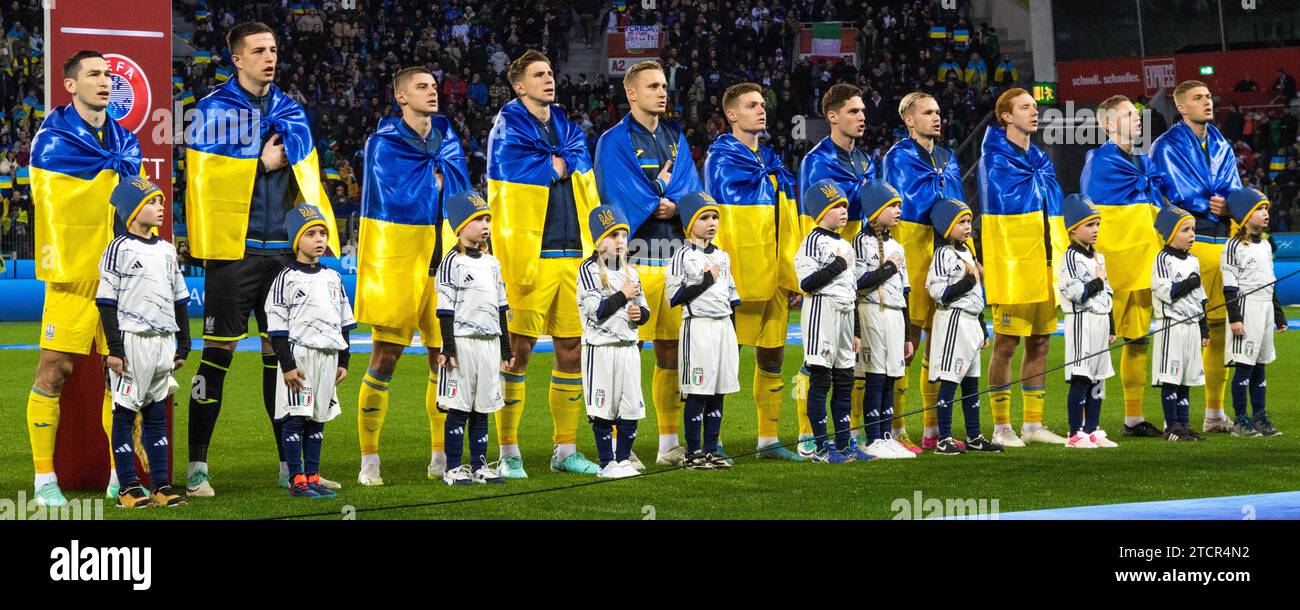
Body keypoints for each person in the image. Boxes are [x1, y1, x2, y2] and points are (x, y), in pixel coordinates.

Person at [185, 22, 342, 495]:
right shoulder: (211, 110)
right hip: (236, 252)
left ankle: (289, 466)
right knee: (219, 353)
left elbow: (309, 179)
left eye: (273, 49)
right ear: (237, 58)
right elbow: (204, 182)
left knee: (283, 356)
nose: (268, 57)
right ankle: (196, 467)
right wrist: (259, 164)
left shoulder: (291, 110)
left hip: (285, 258)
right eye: (258, 50)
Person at [27, 50, 142, 506]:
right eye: (94, 74)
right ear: (70, 85)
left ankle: (120, 474)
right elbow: (51, 204)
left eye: (108, 74)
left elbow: (137, 205)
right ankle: (43, 480)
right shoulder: (52, 139)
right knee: (54, 371)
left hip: (120, 276)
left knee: (122, 378)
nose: (105, 81)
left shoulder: (127, 141)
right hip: (73, 276)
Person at [488, 50, 602, 477]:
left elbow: (575, 166)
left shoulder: (569, 130)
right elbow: (514, 171)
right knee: (516, 354)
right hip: (529, 255)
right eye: (539, 75)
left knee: (571, 350)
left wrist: (559, 165)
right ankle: (508, 451)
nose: (549, 79)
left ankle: (564, 450)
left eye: (551, 73)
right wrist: (553, 166)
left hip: (572, 253)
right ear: (519, 86)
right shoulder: (507, 128)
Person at [355, 66, 471, 486]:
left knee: (444, 362)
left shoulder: (449, 138)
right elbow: (392, 194)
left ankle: (441, 456)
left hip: (444, 265)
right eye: (422, 87)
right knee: (384, 358)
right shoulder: (382, 143)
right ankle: (370, 459)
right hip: (401, 263)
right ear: (401, 97)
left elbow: (459, 193)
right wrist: (432, 181)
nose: (432, 92)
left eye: (435, 86)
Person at [592, 60, 702, 467]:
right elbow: (616, 194)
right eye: (652, 86)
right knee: (625, 351)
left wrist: (678, 205)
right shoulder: (613, 140)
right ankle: (624, 445)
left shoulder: (676, 139)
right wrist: (657, 194)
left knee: (671, 354)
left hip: (673, 259)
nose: (662, 92)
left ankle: (668, 444)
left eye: (663, 86)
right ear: (631, 93)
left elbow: (691, 189)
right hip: (633, 258)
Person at [703, 82, 802, 460]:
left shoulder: (772, 162)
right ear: (731, 114)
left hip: (774, 275)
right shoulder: (721, 160)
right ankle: (713, 440)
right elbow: (718, 223)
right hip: (739, 279)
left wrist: (791, 274)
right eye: (751, 105)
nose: (761, 110)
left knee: (773, 356)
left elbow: (786, 222)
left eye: (762, 104)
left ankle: (768, 440)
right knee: (724, 359)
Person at [1149, 80, 1242, 435]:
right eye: (1198, 98)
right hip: (1191, 243)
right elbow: (1168, 192)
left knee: (1218, 333)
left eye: (1208, 97)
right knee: (1185, 333)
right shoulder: (1166, 145)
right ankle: (1174, 417)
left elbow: (1233, 185)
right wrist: (1209, 204)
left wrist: (1230, 204)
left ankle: (1214, 414)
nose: (1208, 102)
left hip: (1222, 240)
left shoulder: (1221, 142)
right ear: (1181, 108)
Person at [979, 87, 1069, 448]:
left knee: (1042, 342)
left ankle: (1033, 424)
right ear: (1005, 115)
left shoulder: (1040, 159)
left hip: (1045, 260)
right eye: (1025, 107)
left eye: (1035, 106)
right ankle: (1002, 426)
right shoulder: (995, 156)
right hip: (1015, 262)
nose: (1034, 112)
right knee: (1005, 344)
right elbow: (1003, 200)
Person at [97, 178, 190, 508]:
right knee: (124, 415)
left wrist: (184, 342)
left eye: (162, 202)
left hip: (162, 343)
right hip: (131, 342)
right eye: (153, 202)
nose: (161, 207)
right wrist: (114, 349)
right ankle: (128, 487)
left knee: (156, 415)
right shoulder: (118, 249)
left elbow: (180, 298)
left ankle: (161, 485)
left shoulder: (166, 250)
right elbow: (106, 302)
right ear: (133, 211)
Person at [882, 92, 966, 453]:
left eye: (938, 111)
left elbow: (957, 202)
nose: (936, 117)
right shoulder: (897, 156)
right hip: (914, 252)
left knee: (939, 345)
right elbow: (904, 203)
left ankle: (933, 429)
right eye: (927, 112)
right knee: (907, 346)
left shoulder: (948, 158)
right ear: (909, 120)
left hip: (945, 254)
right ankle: (896, 428)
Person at [795, 83, 874, 457]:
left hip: (854, 263)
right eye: (854, 112)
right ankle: (807, 434)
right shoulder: (817, 160)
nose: (861, 117)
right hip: (827, 265)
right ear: (832, 116)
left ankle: (846, 437)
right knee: (815, 363)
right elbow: (810, 216)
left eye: (862, 111)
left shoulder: (864, 161)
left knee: (847, 362)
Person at [1080, 95, 1165, 438]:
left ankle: (1133, 417)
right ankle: (1086, 422)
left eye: (1138, 113)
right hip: (1111, 270)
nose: (1138, 119)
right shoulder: (1099, 163)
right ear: (1108, 124)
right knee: (1095, 346)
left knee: (1138, 341)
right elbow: (1092, 222)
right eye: (1129, 114)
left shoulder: (1145, 162)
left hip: (1142, 263)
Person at [267, 204, 354, 498]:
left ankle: (313, 476)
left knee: (318, 418)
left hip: (328, 359)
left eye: (323, 233)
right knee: (296, 417)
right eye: (311, 233)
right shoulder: (285, 279)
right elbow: (277, 329)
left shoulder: (333, 278)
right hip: (300, 358)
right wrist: (288, 365)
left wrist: (344, 360)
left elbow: (344, 324)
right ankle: (297, 480)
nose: (319, 239)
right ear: (296, 241)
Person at [435, 191, 513, 485]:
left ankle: (479, 465)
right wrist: (449, 347)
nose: (485, 225)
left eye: (487, 219)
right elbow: (444, 310)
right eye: (478, 219)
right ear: (460, 226)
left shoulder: (493, 263)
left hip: (489, 345)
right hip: (462, 342)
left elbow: (501, 307)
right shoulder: (451, 263)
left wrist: (505, 348)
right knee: (458, 407)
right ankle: (453, 467)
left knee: (483, 407)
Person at [667, 192, 741, 470]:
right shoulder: (681, 255)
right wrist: (705, 280)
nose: (711, 223)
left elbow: (733, 299)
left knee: (719, 391)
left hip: (723, 328)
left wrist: (731, 335)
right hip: (697, 327)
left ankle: (711, 450)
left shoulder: (723, 255)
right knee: (698, 392)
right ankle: (693, 452)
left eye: (714, 217)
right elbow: (674, 297)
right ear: (689, 223)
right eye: (704, 217)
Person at [795, 180, 866, 464]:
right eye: (836, 206)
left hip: (846, 315)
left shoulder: (845, 243)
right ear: (821, 211)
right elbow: (807, 283)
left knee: (845, 380)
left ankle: (843, 443)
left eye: (845, 206)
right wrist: (837, 264)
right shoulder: (811, 241)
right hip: (822, 312)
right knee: (821, 379)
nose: (843, 211)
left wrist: (856, 330)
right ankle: (821, 448)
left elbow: (853, 289)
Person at [577, 205, 650, 479]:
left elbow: (645, 309)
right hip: (601, 350)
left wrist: (639, 314)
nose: (619, 241)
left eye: (622, 235)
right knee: (603, 408)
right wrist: (622, 295)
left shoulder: (632, 272)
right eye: (612, 235)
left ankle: (623, 460)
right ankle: (606, 463)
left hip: (629, 349)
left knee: (631, 407)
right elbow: (595, 312)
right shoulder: (588, 270)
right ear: (598, 241)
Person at [925, 198, 1002, 455]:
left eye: (969, 221)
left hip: (971, 321)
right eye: (962, 222)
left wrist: (982, 327)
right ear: (947, 226)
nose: (968, 226)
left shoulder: (968, 252)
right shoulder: (943, 254)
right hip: (953, 320)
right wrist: (967, 282)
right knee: (950, 379)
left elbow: (976, 296)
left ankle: (974, 435)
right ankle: (943, 438)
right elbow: (937, 291)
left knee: (971, 382)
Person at [852, 181, 915, 459]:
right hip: (871, 310)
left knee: (891, 374)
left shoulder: (898, 246)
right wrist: (888, 267)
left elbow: (905, 292)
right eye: (893, 206)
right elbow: (858, 283)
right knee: (876, 375)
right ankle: (873, 436)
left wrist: (908, 335)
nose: (898, 210)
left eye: (899, 205)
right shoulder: (859, 242)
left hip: (894, 314)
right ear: (876, 210)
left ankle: (886, 435)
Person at [1220, 188, 1286, 437]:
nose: (1265, 213)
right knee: (1244, 367)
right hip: (1246, 309)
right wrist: (1235, 318)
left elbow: (1271, 282)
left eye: (1266, 208)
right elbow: (1229, 286)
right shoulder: (1233, 245)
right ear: (1245, 215)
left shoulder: (1267, 245)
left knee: (1261, 367)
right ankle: (1241, 420)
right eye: (1259, 208)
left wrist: (1278, 316)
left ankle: (1260, 417)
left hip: (1266, 308)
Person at [1056, 194, 1119, 449]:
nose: (1095, 230)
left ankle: (1093, 429)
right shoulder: (1070, 257)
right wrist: (1097, 282)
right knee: (1081, 377)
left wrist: (1111, 325)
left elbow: (1108, 292)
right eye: (1089, 225)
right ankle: (1075, 433)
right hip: (1082, 321)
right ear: (1073, 230)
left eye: (1097, 224)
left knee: (1098, 378)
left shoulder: (1098, 257)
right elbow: (1076, 293)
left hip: (1100, 321)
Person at [1150, 205, 1209, 441]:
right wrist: (1190, 282)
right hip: (1171, 326)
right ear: (1171, 233)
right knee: (1170, 377)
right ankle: (1171, 426)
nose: (1192, 234)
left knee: (1187, 377)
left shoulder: (1194, 261)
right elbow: (1167, 292)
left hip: (1192, 327)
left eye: (1193, 229)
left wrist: (1203, 327)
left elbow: (1200, 297)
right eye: (1185, 230)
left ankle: (1183, 424)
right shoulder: (1163, 259)